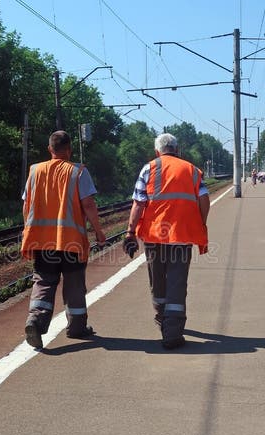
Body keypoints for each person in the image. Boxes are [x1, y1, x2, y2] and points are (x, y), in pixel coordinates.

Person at [122, 133, 210, 350]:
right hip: (181, 236)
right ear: (177, 150)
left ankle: (163, 319)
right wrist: (201, 224)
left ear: (157, 151)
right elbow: (204, 200)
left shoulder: (148, 168)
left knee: (158, 280)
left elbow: (138, 203)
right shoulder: (192, 170)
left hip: (154, 236)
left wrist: (130, 232)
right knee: (177, 283)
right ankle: (172, 331)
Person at [21, 130, 106, 350]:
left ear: (50, 149)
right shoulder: (78, 171)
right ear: (69, 149)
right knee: (74, 283)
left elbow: (26, 205)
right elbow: (88, 204)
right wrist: (98, 230)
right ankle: (77, 327)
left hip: (42, 241)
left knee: (44, 281)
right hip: (71, 241)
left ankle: (35, 321)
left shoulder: (34, 171)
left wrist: (29, 231)